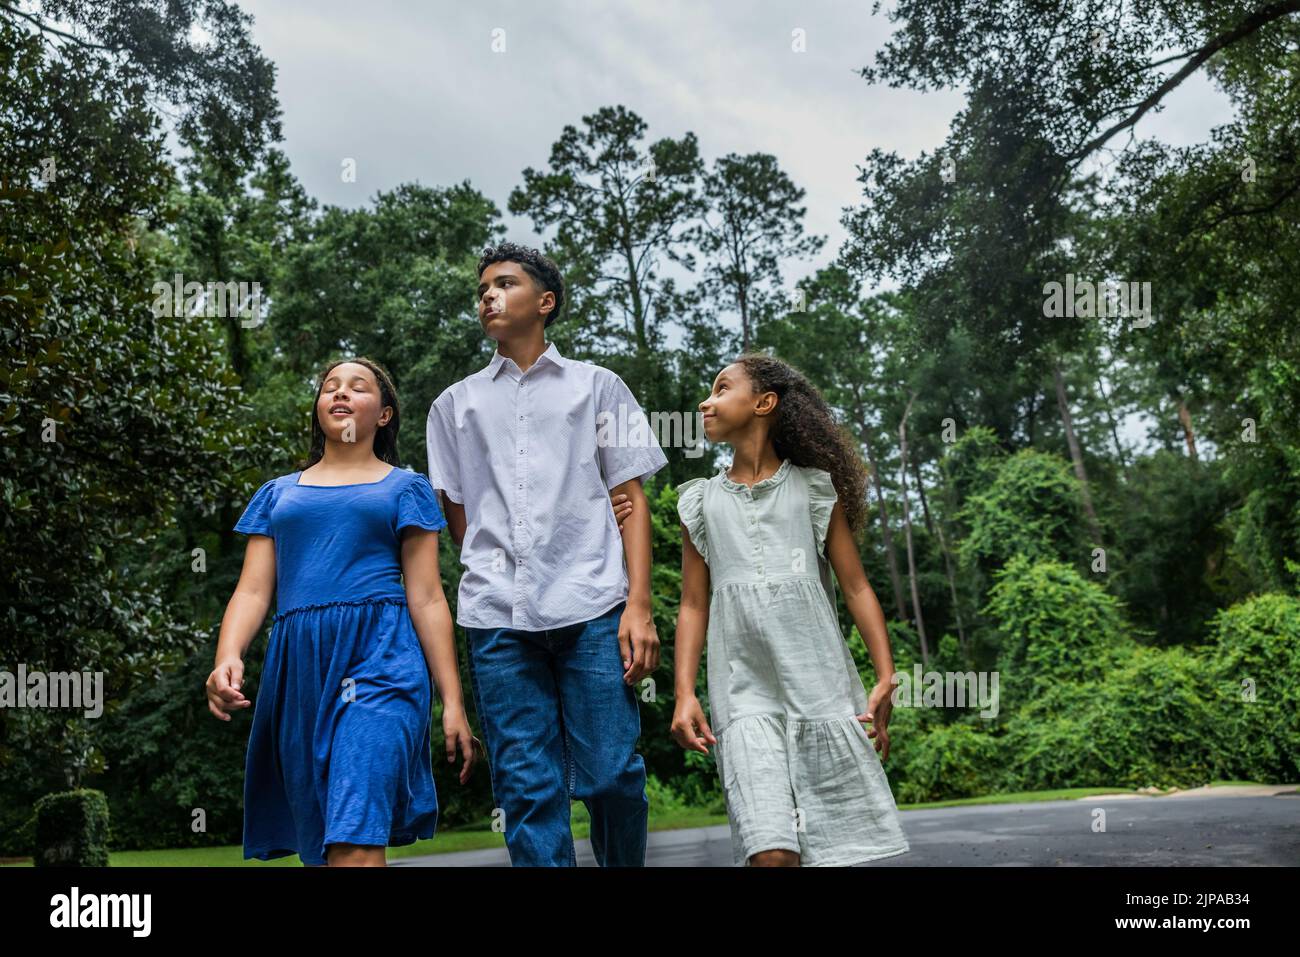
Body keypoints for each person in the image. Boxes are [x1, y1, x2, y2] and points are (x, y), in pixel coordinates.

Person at [426, 242, 667, 866]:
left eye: (504, 283)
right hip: (497, 619)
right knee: (528, 790)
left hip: (593, 606)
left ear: (545, 301)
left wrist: (638, 605)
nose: (488, 295)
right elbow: (458, 513)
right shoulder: (453, 406)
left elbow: (631, 500)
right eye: (482, 288)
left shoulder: (600, 388)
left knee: (613, 776)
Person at [207, 357, 477, 867]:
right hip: (300, 670)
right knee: (326, 846)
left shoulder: (405, 488)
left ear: (384, 415)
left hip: (382, 660)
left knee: (354, 837)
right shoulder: (279, 494)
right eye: (330, 386)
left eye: (358, 387)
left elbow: (426, 597)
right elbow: (253, 591)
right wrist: (227, 657)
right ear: (318, 410)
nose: (341, 393)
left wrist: (453, 702)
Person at [670, 353, 911, 867]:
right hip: (742, 695)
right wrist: (684, 693)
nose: (704, 402)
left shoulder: (813, 489)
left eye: (720, 389)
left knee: (833, 850)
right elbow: (693, 604)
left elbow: (857, 587)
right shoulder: (701, 502)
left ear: (764, 402)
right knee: (771, 854)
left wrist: (887, 674)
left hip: (818, 689)